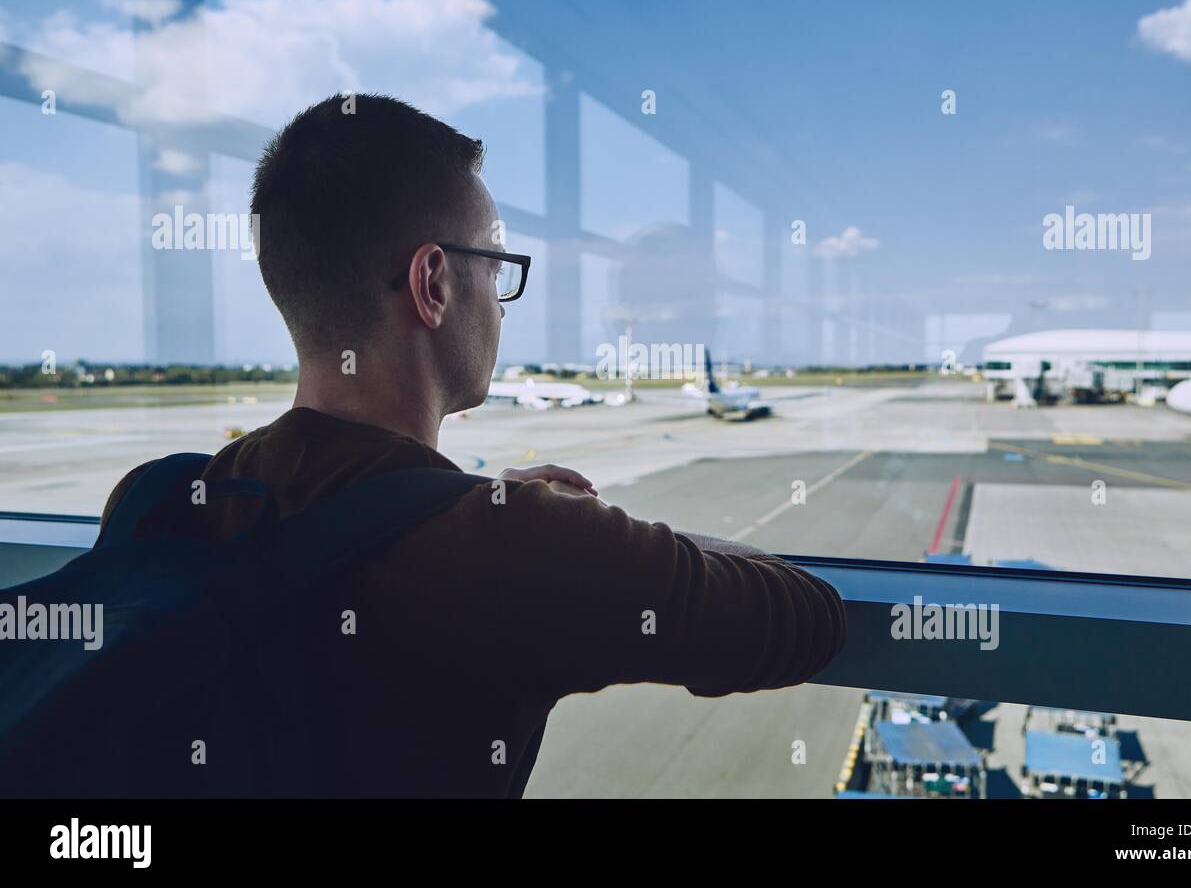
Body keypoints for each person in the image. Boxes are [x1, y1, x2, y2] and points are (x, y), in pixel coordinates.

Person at [100, 93, 847, 797]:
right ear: (433, 283)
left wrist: (462, 508)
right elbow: (807, 619)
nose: (502, 305)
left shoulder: (154, 499)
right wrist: (546, 524)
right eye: (497, 272)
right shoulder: (519, 543)